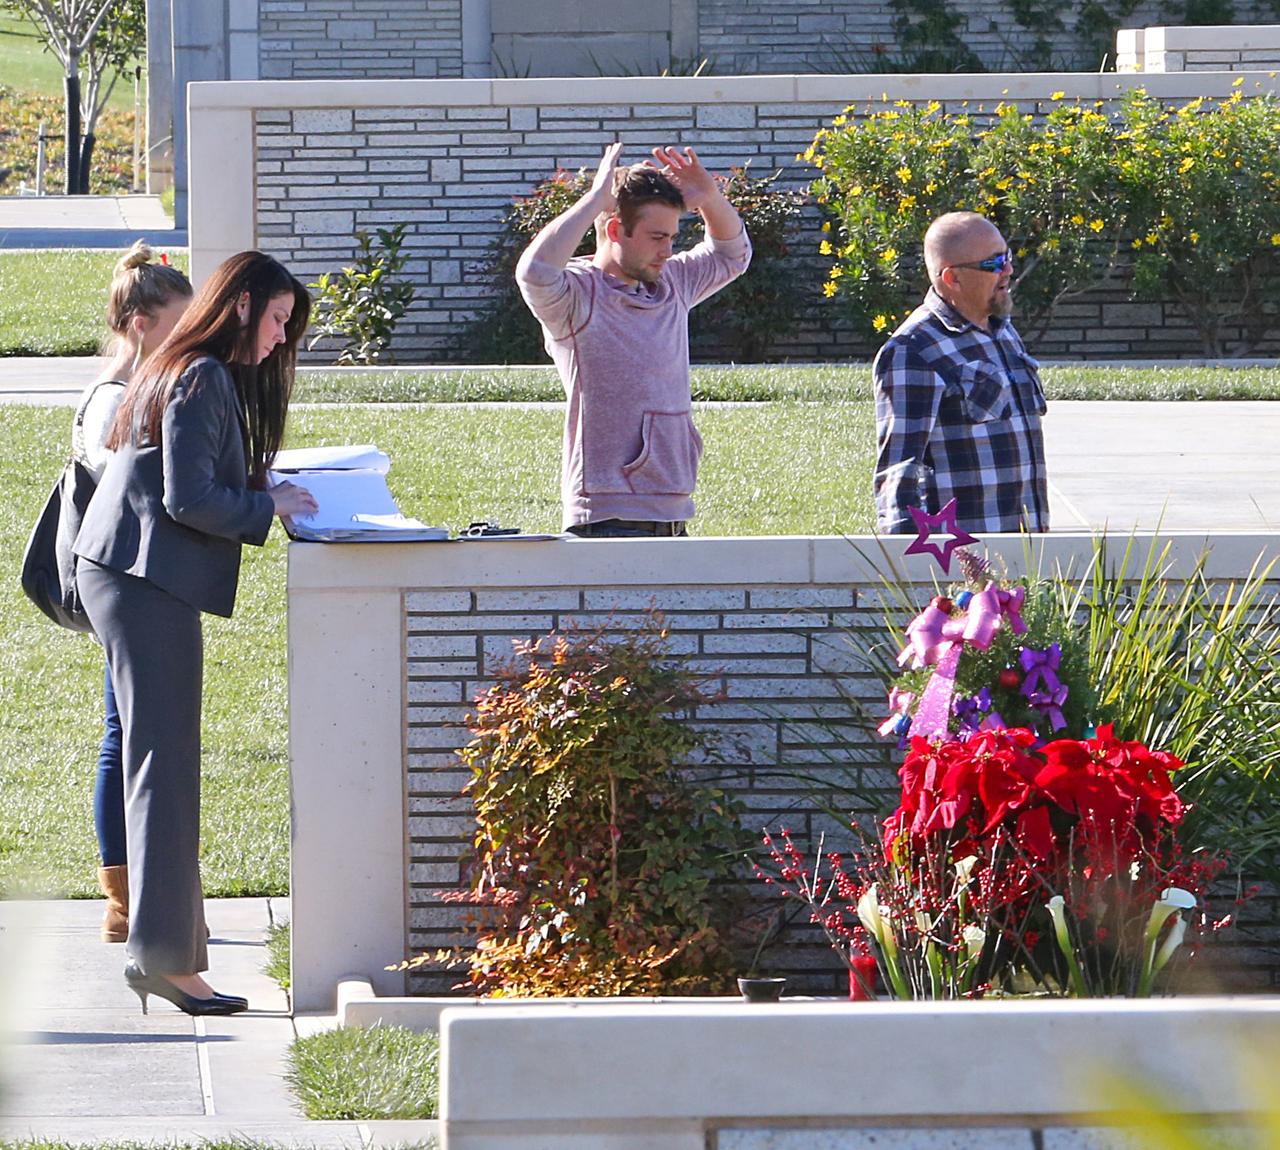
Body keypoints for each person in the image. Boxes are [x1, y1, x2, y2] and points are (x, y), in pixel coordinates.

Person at [74, 251, 318, 1016]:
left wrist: (261, 487)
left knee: (163, 765)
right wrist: (270, 507)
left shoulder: (188, 366)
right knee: (164, 770)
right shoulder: (203, 373)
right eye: (278, 319)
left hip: (134, 574)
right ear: (243, 305)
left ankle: (168, 953)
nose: (281, 339)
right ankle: (165, 960)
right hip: (142, 578)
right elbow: (189, 500)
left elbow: (187, 479)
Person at [516, 142, 751, 537]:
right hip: (607, 515)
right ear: (614, 230)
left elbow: (733, 255)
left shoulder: (673, 283)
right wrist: (595, 200)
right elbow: (535, 272)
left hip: (673, 511)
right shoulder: (577, 296)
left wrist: (710, 197)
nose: (668, 250)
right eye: (657, 237)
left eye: (672, 237)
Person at [74, 240, 193, 945]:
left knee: (128, 727)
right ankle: (122, 897)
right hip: (118, 577)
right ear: (143, 325)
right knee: (124, 734)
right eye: (177, 329)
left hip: (142, 576)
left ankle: (139, 891)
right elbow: (133, 485)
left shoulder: (142, 390)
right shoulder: (111, 401)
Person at [872, 210, 1049, 536]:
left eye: (1007, 257)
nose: (1009, 270)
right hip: (965, 565)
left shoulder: (1003, 331)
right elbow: (899, 472)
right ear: (952, 278)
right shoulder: (914, 349)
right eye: (994, 264)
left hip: (1025, 556)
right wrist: (916, 572)